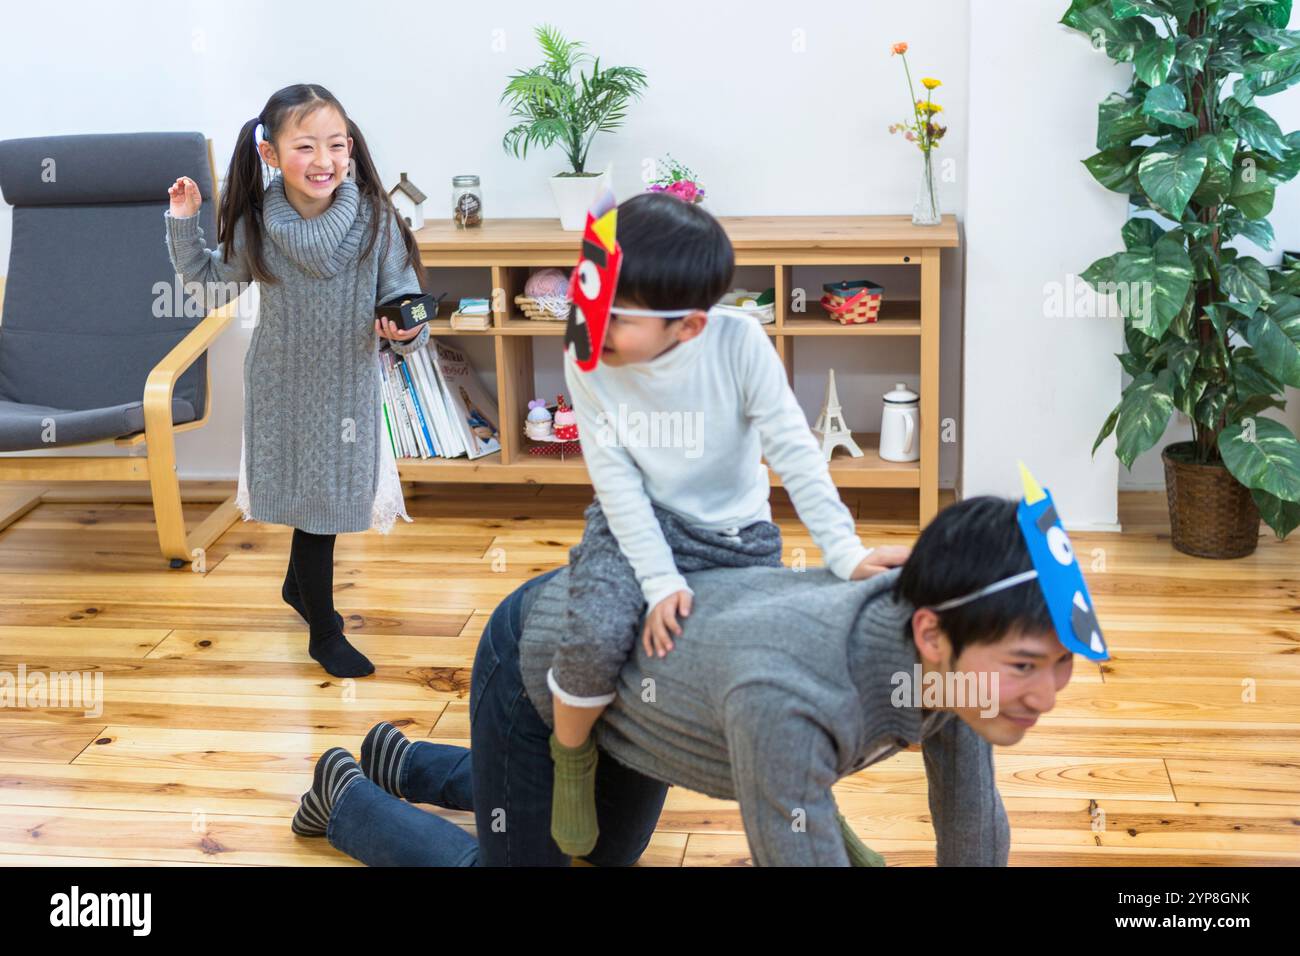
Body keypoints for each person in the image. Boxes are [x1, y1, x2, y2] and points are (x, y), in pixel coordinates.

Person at [290, 494, 1097, 867]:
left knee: (610, 851)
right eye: (1027, 666)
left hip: (647, 705)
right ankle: (348, 798)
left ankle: (411, 762)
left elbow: (970, 822)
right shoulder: (791, 694)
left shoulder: (957, 664)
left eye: (1059, 664)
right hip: (542, 665)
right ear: (929, 632)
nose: (1044, 694)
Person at [545, 191, 910, 856]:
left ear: (687, 327)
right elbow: (616, 479)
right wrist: (657, 580)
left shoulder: (739, 345)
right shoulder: (586, 355)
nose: (590, 325)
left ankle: (817, 813)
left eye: (615, 317)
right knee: (593, 633)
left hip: (738, 536)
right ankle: (571, 755)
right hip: (642, 523)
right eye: (585, 300)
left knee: (770, 675)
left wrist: (844, 551)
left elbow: (795, 451)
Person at [164, 83, 429, 679]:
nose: (326, 160)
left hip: (347, 390)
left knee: (328, 507)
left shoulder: (375, 220)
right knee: (313, 512)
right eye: (306, 146)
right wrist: (184, 225)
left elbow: (402, 298)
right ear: (271, 155)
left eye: (338, 144)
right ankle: (324, 629)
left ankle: (299, 592)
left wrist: (406, 326)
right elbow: (213, 287)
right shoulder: (257, 222)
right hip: (280, 387)